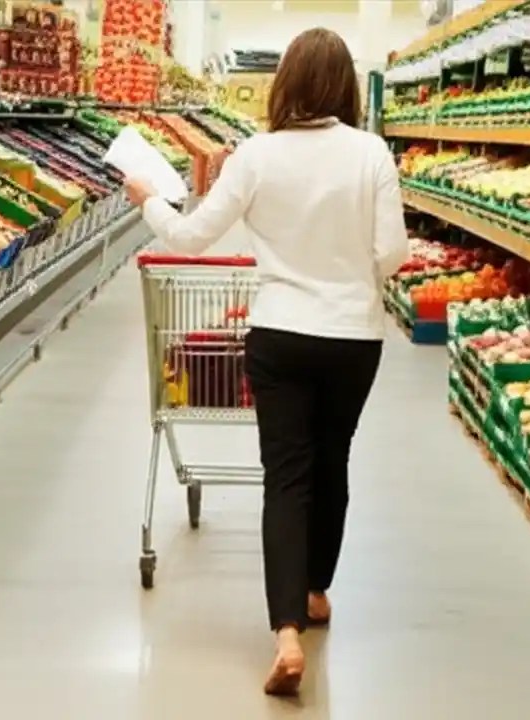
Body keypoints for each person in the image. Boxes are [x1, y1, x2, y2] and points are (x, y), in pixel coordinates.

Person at [124, 28, 408, 697]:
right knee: (332, 459)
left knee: (285, 477)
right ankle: (314, 593)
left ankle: (285, 635)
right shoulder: (372, 153)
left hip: (279, 333)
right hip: (352, 337)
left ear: (284, 84)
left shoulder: (256, 155)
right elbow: (392, 255)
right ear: (345, 86)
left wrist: (149, 202)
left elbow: (192, 238)